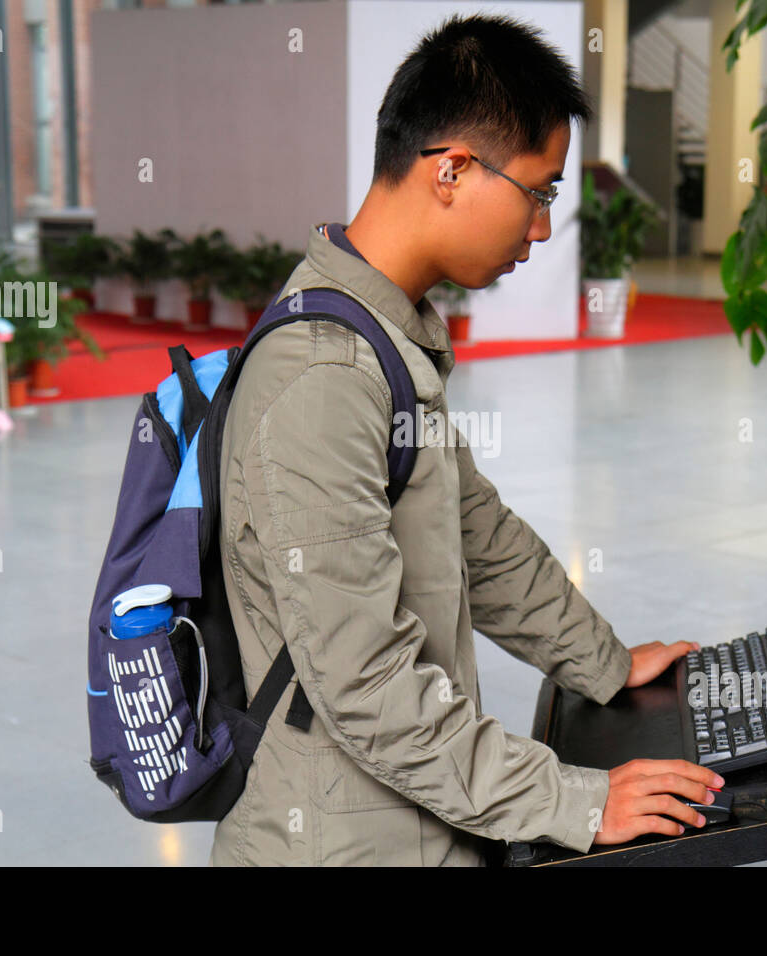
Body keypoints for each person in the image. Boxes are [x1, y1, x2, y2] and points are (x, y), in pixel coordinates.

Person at [210, 12, 722, 867]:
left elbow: (472, 533)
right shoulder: (324, 378)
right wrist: (574, 801)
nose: (543, 228)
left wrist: (603, 660)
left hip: (408, 816)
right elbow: (365, 682)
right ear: (450, 169)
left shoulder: (383, 333)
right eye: (540, 190)